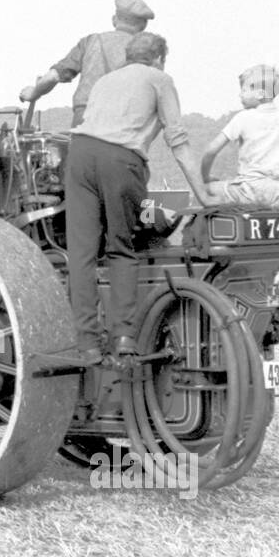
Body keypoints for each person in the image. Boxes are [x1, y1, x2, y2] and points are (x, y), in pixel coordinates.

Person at [62, 32, 208, 363]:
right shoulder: (160, 79)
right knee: (122, 248)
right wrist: (203, 193)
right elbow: (178, 141)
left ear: (129, 56)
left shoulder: (105, 81)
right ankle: (124, 337)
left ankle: (85, 343)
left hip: (80, 156)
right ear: (159, 58)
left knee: (82, 253)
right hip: (121, 160)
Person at [20, 0, 157, 131]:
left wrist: (34, 92)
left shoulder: (91, 42)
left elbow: (52, 77)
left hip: (85, 119)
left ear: (114, 19)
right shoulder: (146, 53)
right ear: (143, 26)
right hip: (123, 124)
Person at [200, 65, 279, 210]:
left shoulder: (243, 118)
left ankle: (201, 232)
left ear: (260, 94)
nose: (240, 95)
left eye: (244, 90)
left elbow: (210, 151)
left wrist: (204, 177)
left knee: (203, 190)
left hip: (250, 193)